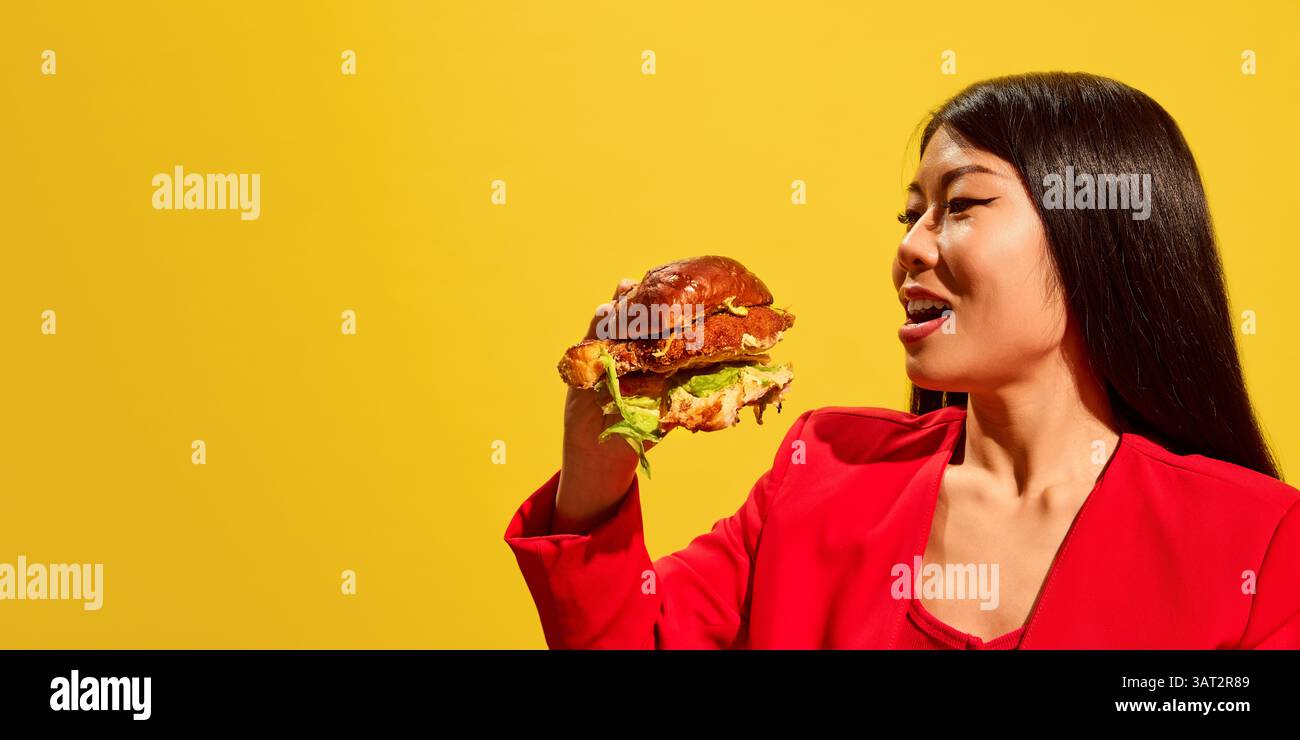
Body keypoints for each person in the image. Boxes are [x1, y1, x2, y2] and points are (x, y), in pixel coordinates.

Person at [503, 72, 1300, 649]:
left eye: (961, 205)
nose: (910, 247)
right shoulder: (822, 472)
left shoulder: (1258, 545)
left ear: (1098, 233)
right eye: (913, 213)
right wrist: (593, 464)